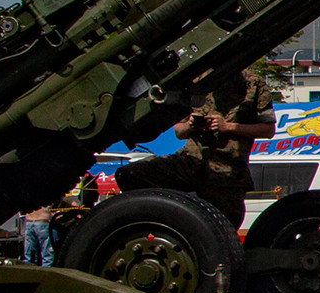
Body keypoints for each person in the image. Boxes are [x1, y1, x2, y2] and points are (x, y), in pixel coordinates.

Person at [113, 62, 282, 227]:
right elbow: (179, 132)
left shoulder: (253, 83)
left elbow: (267, 130)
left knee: (223, 225)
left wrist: (227, 126)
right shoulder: (196, 81)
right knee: (130, 174)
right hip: (190, 162)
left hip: (227, 171)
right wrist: (191, 125)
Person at [21, 200, 56, 268]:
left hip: (30, 222)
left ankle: (30, 269)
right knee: (46, 251)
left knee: (30, 251)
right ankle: (46, 271)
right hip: (41, 222)